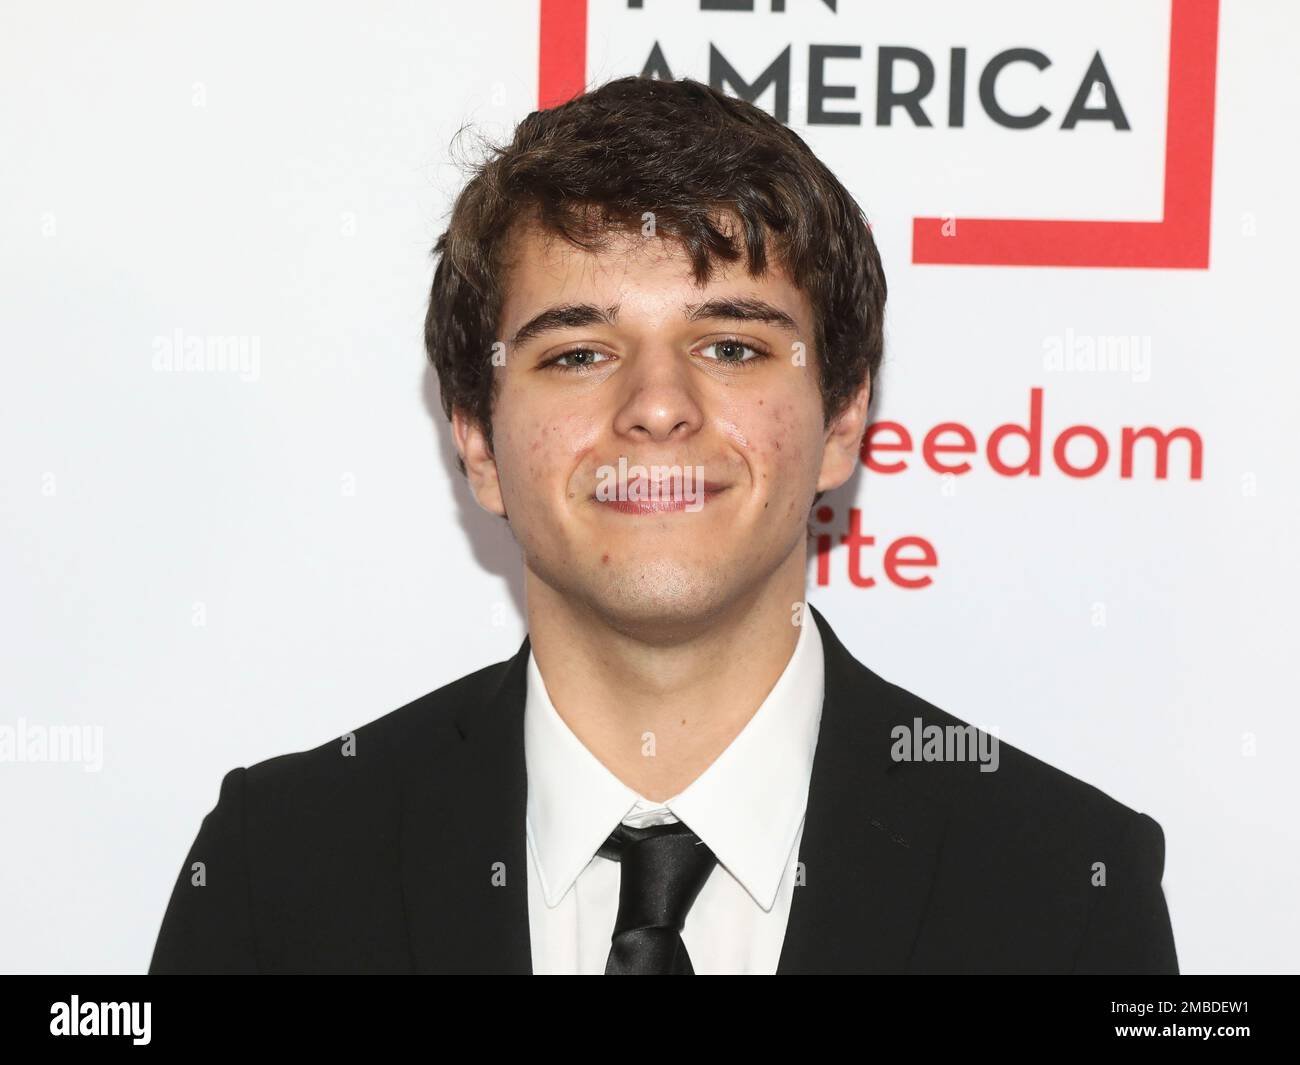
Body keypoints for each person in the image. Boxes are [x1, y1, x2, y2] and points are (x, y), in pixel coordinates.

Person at [149, 75, 1178, 974]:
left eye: (730, 346)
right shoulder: (275, 873)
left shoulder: (1061, 888)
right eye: (576, 353)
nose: (656, 404)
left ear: (843, 422)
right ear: (474, 438)